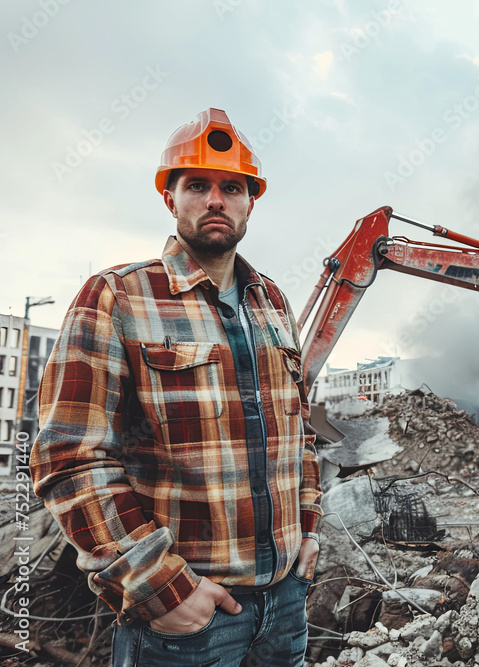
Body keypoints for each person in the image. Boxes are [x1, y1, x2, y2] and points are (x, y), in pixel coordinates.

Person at [30, 108, 322, 666]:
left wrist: (308, 531)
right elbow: (68, 457)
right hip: (189, 619)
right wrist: (161, 588)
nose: (216, 200)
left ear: (250, 202)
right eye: (197, 186)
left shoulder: (273, 304)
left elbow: (299, 434)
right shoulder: (117, 297)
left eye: (231, 187)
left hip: (286, 605)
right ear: (171, 198)